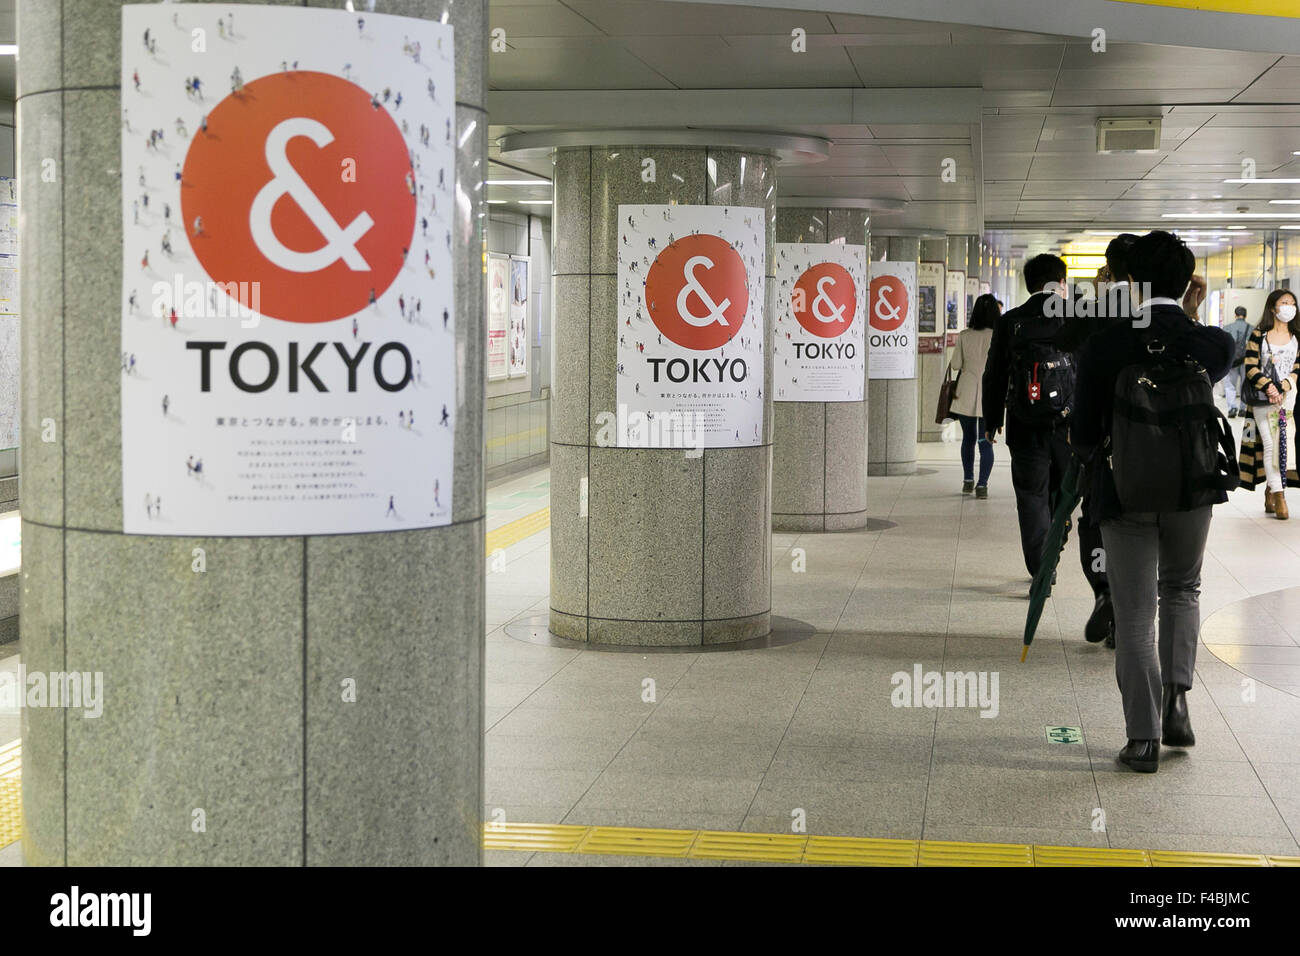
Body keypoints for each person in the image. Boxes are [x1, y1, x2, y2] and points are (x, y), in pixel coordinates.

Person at [1071, 230, 1232, 774]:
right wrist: (1190, 313)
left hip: (1125, 491)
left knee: (1136, 614)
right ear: (1188, 283)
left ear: (1130, 282)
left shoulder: (1106, 344)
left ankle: (1141, 739)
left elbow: (1083, 433)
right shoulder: (1211, 343)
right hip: (1193, 489)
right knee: (1183, 588)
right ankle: (1178, 704)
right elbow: (1208, 369)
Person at [982, 253, 1074, 583]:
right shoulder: (1075, 318)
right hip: (1068, 428)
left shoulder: (1012, 321)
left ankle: (1041, 567)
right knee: (1063, 493)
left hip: (1023, 425)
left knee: (1031, 497)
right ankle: (1057, 540)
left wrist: (992, 420)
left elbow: (993, 375)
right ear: (1060, 283)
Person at [1238, 290, 1300, 518]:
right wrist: (1269, 387)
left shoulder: (1297, 335)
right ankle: (1280, 496)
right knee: (1270, 443)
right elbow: (1250, 366)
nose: (1289, 307)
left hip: (1289, 400)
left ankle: (1270, 490)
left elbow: (1297, 367)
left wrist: (1284, 385)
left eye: (1293, 303)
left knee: (1285, 445)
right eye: (1284, 303)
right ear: (1273, 307)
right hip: (1262, 399)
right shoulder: (1258, 334)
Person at [950, 293, 999, 498]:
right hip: (990, 395)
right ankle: (982, 485)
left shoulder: (964, 335)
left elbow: (955, 365)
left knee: (967, 439)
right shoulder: (998, 336)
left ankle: (967, 480)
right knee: (985, 441)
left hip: (966, 393)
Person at [1223, 306, 1251, 417]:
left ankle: (1232, 408)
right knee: (1245, 385)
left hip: (1232, 361)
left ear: (1235, 315)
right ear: (1245, 315)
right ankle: (1243, 409)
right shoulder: (1252, 328)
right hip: (1246, 361)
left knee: (1230, 385)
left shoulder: (1227, 328)